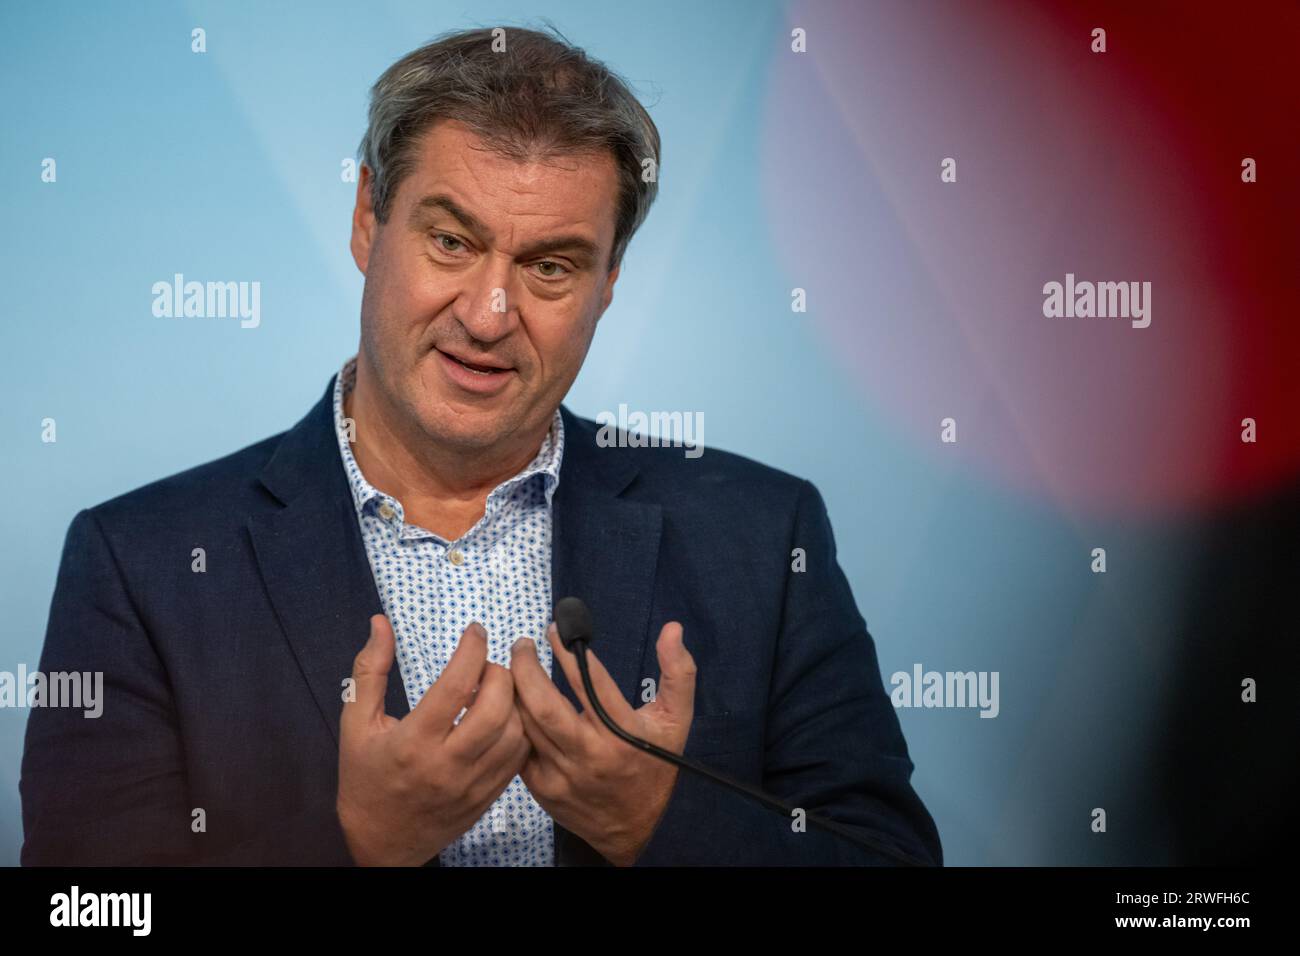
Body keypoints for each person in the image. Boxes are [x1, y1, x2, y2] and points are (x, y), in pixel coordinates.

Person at [20, 25, 942, 867]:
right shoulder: (139, 565)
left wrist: (661, 824)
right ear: (368, 219)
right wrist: (357, 848)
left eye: (550, 266)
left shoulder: (760, 533)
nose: (488, 315)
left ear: (610, 280)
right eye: (453, 240)